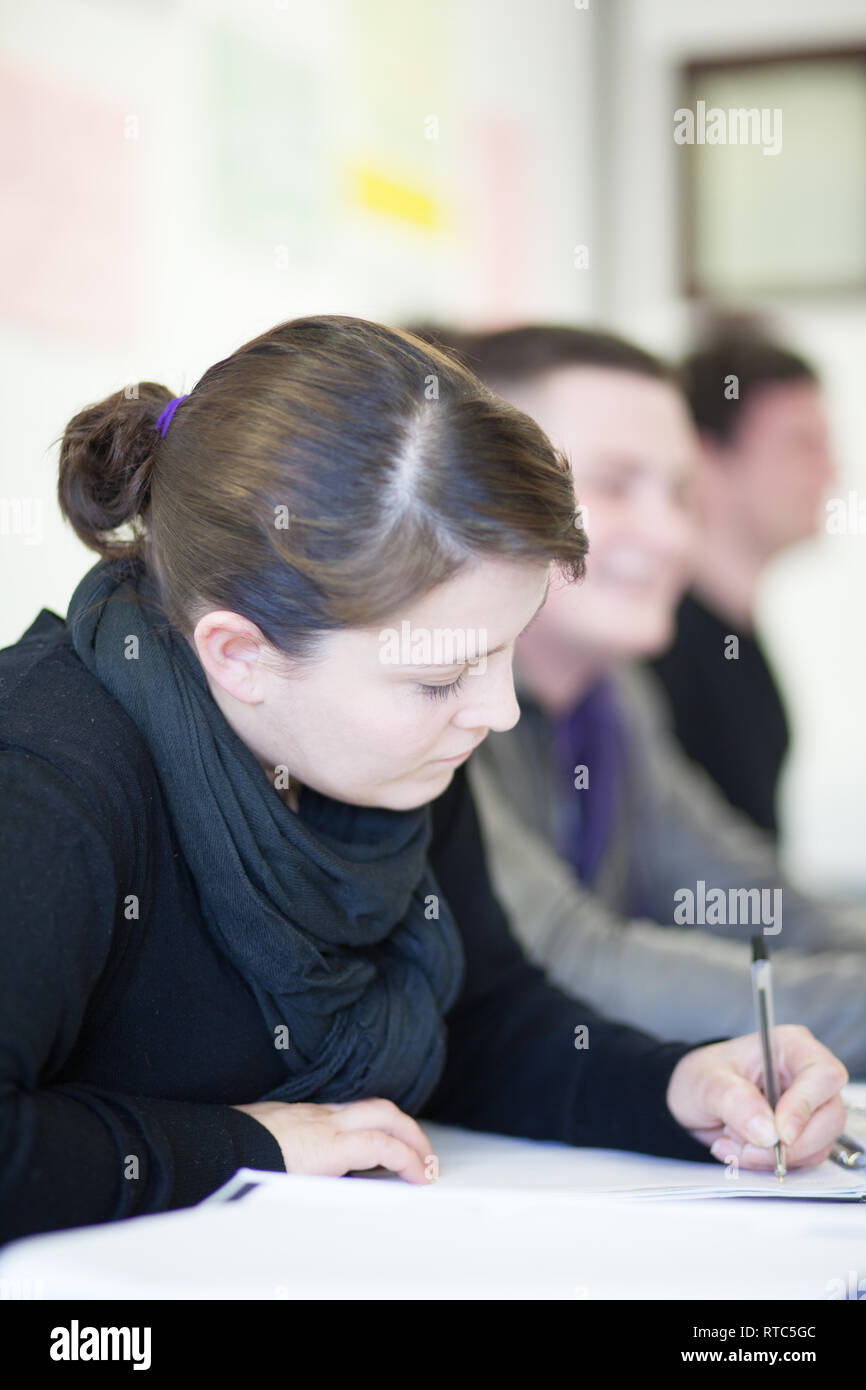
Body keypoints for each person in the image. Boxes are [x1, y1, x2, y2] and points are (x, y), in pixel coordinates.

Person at [0, 315, 847, 1246]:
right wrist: (242, 1147)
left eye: (503, 652)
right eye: (440, 676)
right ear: (240, 654)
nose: (499, 713)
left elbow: (484, 1019)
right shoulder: (51, 783)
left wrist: (673, 1088)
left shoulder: (397, 757)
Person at [404, 322, 866, 1074]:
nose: (671, 535)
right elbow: (576, 959)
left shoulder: (616, 695)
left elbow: (747, 896)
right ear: (477, 498)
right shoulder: (426, 696)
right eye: (616, 486)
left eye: (681, 494)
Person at [650, 329, 835, 836]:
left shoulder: (736, 634)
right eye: (803, 446)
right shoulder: (657, 650)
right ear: (706, 459)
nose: (830, 473)